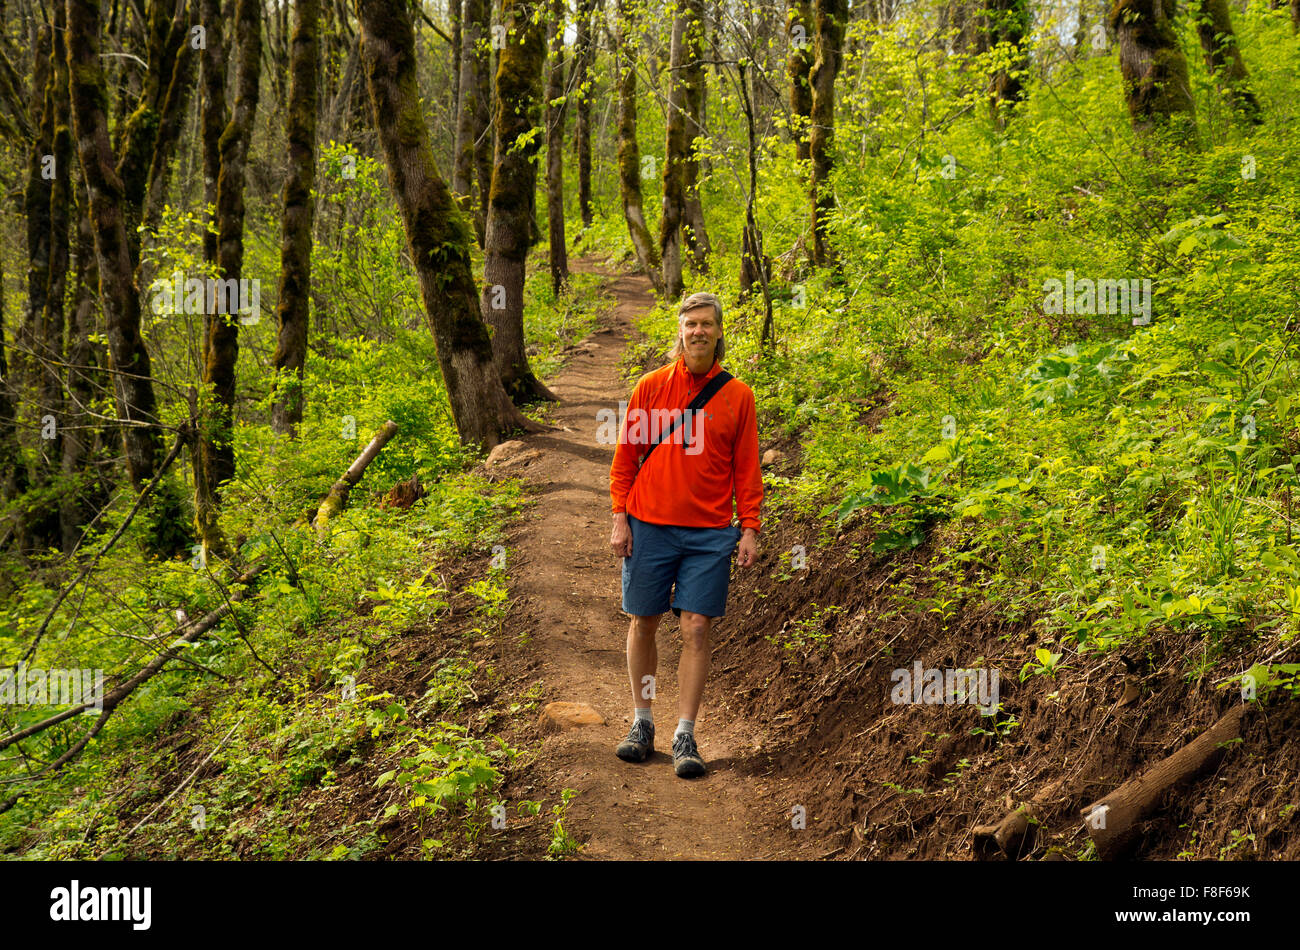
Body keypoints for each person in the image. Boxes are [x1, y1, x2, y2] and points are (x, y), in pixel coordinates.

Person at [608, 291, 762, 778]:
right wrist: (619, 516)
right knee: (644, 621)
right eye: (690, 323)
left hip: (711, 532)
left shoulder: (738, 396)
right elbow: (625, 457)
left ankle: (685, 733)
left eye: (706, 324)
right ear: (679, 330)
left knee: (696, 627)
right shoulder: (651, 387)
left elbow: (747, 469)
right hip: (649, 525)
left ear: (719, 332)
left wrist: (750, 527)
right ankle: (642, 721)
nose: (698, 331)